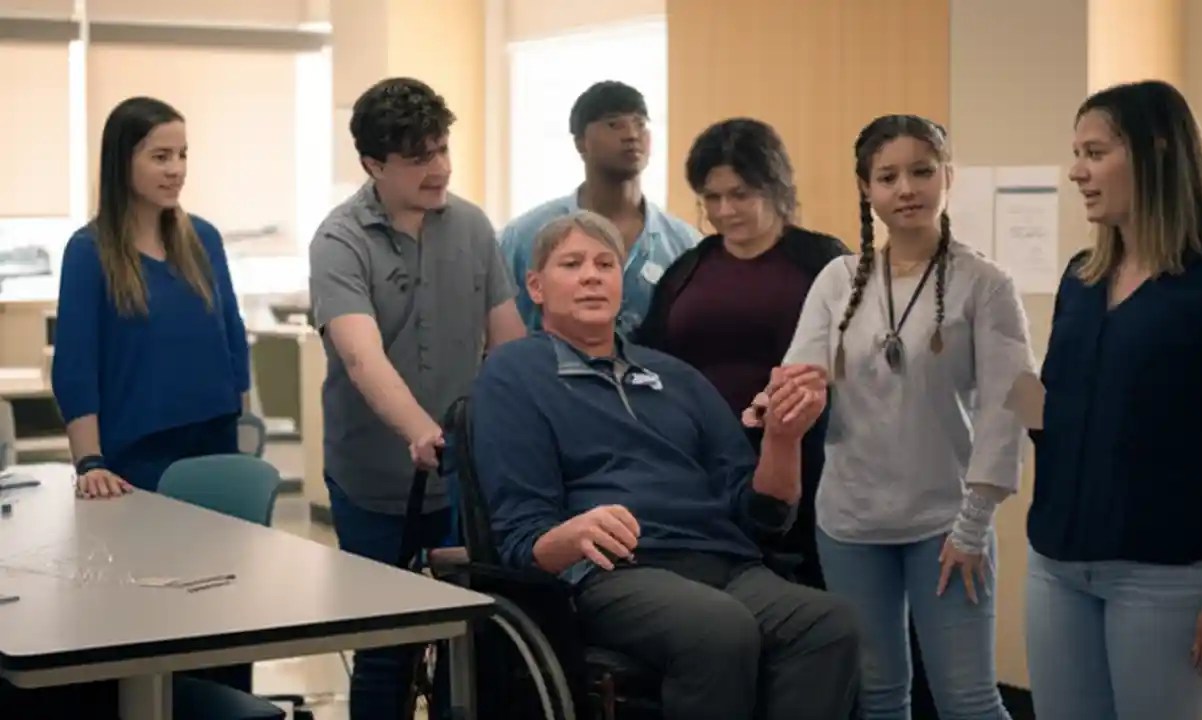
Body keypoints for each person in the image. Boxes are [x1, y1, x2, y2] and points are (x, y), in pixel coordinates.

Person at [472, 211, 861, 720]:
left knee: (830, 622)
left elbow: (763, 514)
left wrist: (782, 440)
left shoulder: (676, 376)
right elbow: (522, 537)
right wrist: (575, 532)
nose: (592, 274)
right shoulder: (513, 374)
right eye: (572, 263)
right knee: (718, 629)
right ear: (536, 286)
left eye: (605, 263)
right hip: (615, 572)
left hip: (723, 562)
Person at [1025, 80, 1202, 720]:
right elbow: (1055, 415)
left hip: (1162, 576)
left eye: (1095, 151)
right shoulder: (1081, 280)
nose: (1076, 171)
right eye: (1076, 152)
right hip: (1056, 563)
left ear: (1157, 151)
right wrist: (986, 379)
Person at [765, 114, 1032, 719]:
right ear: (866, 189)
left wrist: (973, 523)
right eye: (888, 177)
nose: (906, 188)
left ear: (947, 177)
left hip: (947, 522)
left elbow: (1006, 410)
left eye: (921, 171)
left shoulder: (984, 283)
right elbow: (801, 372)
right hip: (850, 523)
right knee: (880, 697)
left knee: (968, 699)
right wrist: (776, 401)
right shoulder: (837, 280)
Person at [308, 76, 524, 719]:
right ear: (374, 164)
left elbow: (508, 343)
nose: (441, 169)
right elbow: (359, 356)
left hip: (468, 483)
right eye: (419, 157)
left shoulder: (473, 227)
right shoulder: (340, 241)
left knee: (475, 641)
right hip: (376, 481)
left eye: (443, 149)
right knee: (386, 648)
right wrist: (421, 433)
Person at [49, 96, 252, 698]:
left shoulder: (203, 240)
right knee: (154, 621)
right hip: (134, 461)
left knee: (223, 612)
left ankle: (231, 706)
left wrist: (240, 432)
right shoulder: (90, 252)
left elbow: (231, 336)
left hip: (212, 444)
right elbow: (76, 364)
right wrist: (89, 462)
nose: (176, 169)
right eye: (160, 155)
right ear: (123, 162)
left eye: (183, 154)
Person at [635, 118, 847, 588]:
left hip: (806, 471)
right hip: (703, 474)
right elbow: (648, 361)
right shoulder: (689, 268)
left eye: (741, 193)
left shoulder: (824, 263)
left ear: (774, 188)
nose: (725, 209)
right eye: (712, 197)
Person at [499, 80, 698, 338]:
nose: (631, 135)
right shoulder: (526, 235)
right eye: (614, 124)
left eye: (640, 124)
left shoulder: (683, 244)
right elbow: (501, 329)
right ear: (581, 142)